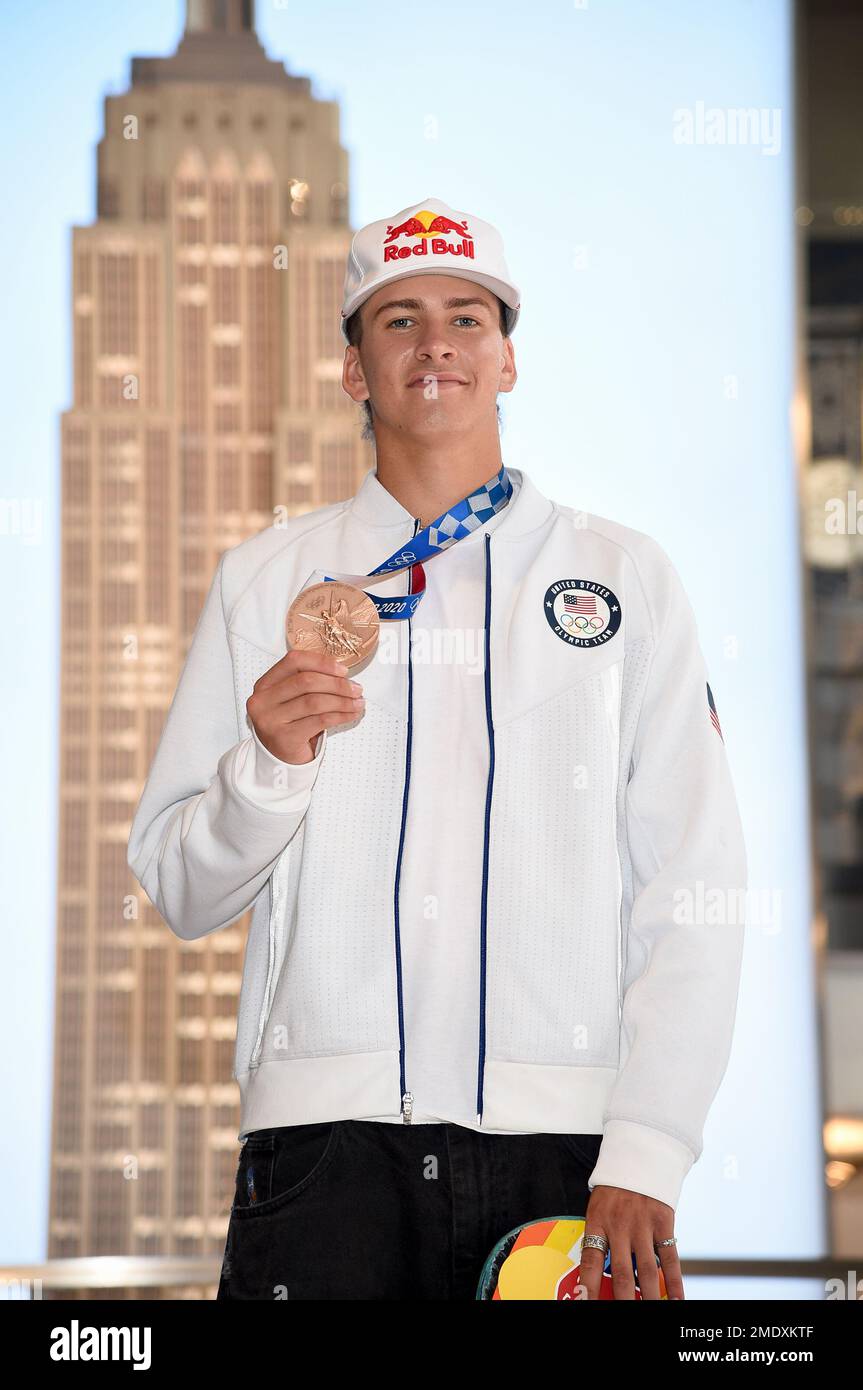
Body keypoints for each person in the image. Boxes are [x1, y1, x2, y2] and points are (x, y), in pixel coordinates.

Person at [127, 196, 747, 1301]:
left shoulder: (622, 578)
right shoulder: (264, 583)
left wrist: (646, 1145)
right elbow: (179, 886)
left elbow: (691, 882)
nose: (436, 344)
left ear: (506, 360)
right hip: (323, 1157)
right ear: (356, 370)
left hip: (565, 1158)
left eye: (467, 318)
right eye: (398, 319)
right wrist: (267, 766)